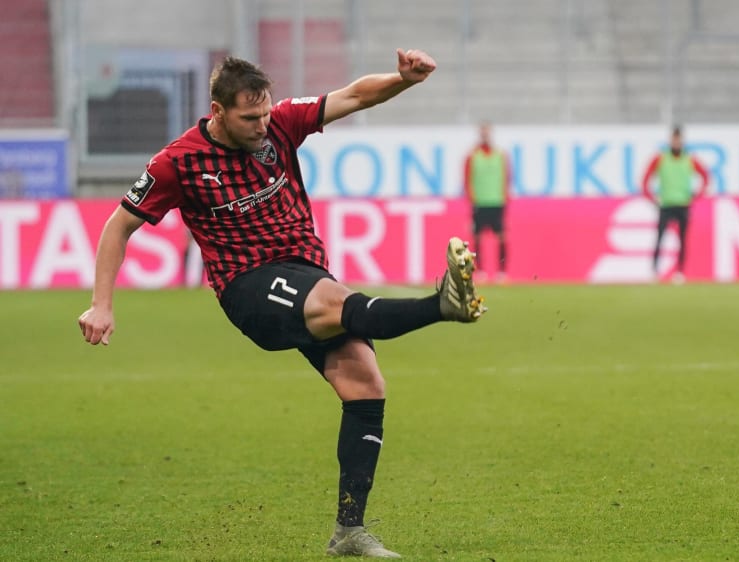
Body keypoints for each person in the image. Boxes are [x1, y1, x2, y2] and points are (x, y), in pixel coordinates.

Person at [77, 50, 486, 559]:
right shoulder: (178, 163)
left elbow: (355, 95)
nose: (262, 125)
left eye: (266, 113)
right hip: (247, 285)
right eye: (250, 117)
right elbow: (119, 225)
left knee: (365, 385)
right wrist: (101, 304)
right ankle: (442, 305)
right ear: (218, 111)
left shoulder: (281, 124)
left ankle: (349, 531)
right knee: (338, 302)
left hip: (304, 269)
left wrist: (403, 80)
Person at [640, 125, 710, 284]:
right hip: (665, 204)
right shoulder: (661, 158)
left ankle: (680, 272)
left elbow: (705, 176)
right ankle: (654, 271)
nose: (676, 142)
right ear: (670, 140)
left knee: (682, 240)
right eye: (674, 139)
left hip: (683, 204)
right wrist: (651, 197)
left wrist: (697, 195)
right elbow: (646, 178)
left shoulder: (689, 159)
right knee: (660, 238)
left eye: (678, 139)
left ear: (682, 140)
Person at [463, 121, 511, 282]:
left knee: (502, 237)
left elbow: (506, 177)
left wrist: (505, 198)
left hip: (497, 201)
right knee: (477, 237)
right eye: (483, 133)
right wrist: (472, 199)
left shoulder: (500, 155)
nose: (485, 136)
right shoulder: (472, 155)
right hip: (480, 202)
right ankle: (480, 271)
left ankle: (502, 272)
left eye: (487, 132)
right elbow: (467, 179)